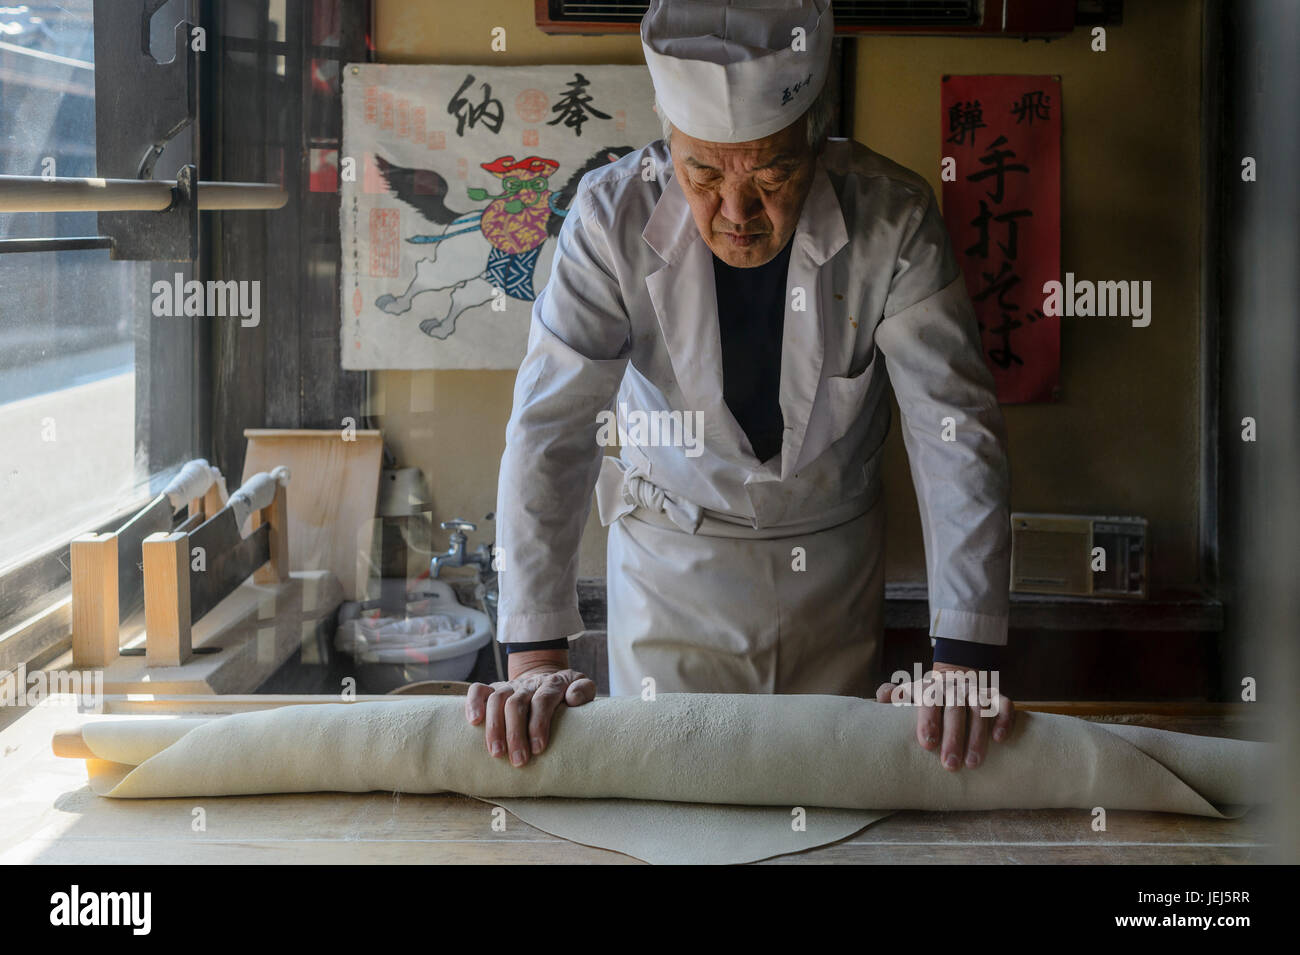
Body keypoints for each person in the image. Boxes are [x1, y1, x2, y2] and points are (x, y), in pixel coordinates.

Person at [468, 0, 1014, 773]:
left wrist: (963, 659)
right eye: (702, 172)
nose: (736, 212)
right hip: (670, 574)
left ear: (815, 142)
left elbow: (954, 426)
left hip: (830, 573)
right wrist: (532, 661)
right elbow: (551, 428)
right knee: (668, 802)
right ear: (668, 144)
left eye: (773, 173)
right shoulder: (608, 220)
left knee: (828, 806)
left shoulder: (894, 219)